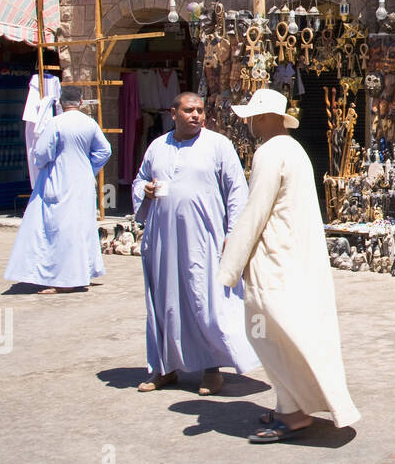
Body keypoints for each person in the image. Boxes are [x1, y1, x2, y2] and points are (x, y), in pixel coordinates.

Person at [217, 89, 361, 443]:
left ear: (264, 117)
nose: (250, 123)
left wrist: (230, 266)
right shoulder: (294, 150)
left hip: (275, 256)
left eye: (253, 117)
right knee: (284, 330)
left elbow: (256, 210)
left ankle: (293, 412)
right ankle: (291, 404)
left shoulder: (269, 153)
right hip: (294, 254)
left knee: (270, 331)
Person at [131, 92, 260, 395]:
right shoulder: (157, 147)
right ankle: (164, 368)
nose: (196, 115)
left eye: (200, 110)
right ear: (173, 113)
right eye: (189, 110)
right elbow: (140, 180)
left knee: (204, 301)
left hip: (204, 240)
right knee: (165, 304)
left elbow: (236, 191)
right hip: (163, 240)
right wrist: (144, 190)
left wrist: (233, 233)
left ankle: (211, 369)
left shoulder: (218, 145)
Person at [3, 86, 112, 294]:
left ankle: (63, 279)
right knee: (81, 228)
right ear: (81, 102)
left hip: (58, 179)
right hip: (82, 182)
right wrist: (89, 168)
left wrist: (46, 163)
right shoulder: (90, 123)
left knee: (57, 229)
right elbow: (104, 150)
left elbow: (41, 153)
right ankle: (81, 273)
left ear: (61, 103)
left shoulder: (55, 123)